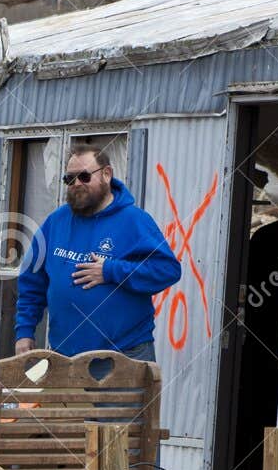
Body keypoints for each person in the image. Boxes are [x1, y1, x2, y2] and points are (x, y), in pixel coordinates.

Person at [14, 145, 181, 361]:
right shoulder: (56, 222)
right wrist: (24, 331)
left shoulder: (134, 221)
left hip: (123, 358)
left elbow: (167, 270)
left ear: (106, 174)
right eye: (69, 179)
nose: (76, 184)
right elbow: (32, 281)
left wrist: (111, 271)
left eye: (84, 176)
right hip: (65, 357)